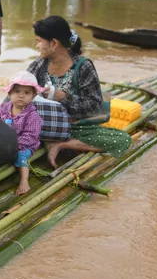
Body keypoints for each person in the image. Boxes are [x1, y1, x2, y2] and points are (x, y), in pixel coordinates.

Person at [27, 16, 132, 168]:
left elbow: (94, 106)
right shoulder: (38, 65)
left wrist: (64, 98)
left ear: (54, 43)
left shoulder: (83, 67)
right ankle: (49, 140)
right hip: (42, 127)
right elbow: (17, 93)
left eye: (38, 40)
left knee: (123, 140)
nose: (36, 45)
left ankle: (62, 145)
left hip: (75, 129)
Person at [0, 71, 44, 195]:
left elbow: (30, 137)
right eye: (17, 91)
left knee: (21, 156)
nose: (21, 95)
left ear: (32, 96)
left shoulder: (33, 116)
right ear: (10, 93)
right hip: (3, 142)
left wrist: (13, 145)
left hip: (23, 145)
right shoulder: (3, 109)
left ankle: (24, 180)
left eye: (26, 93)